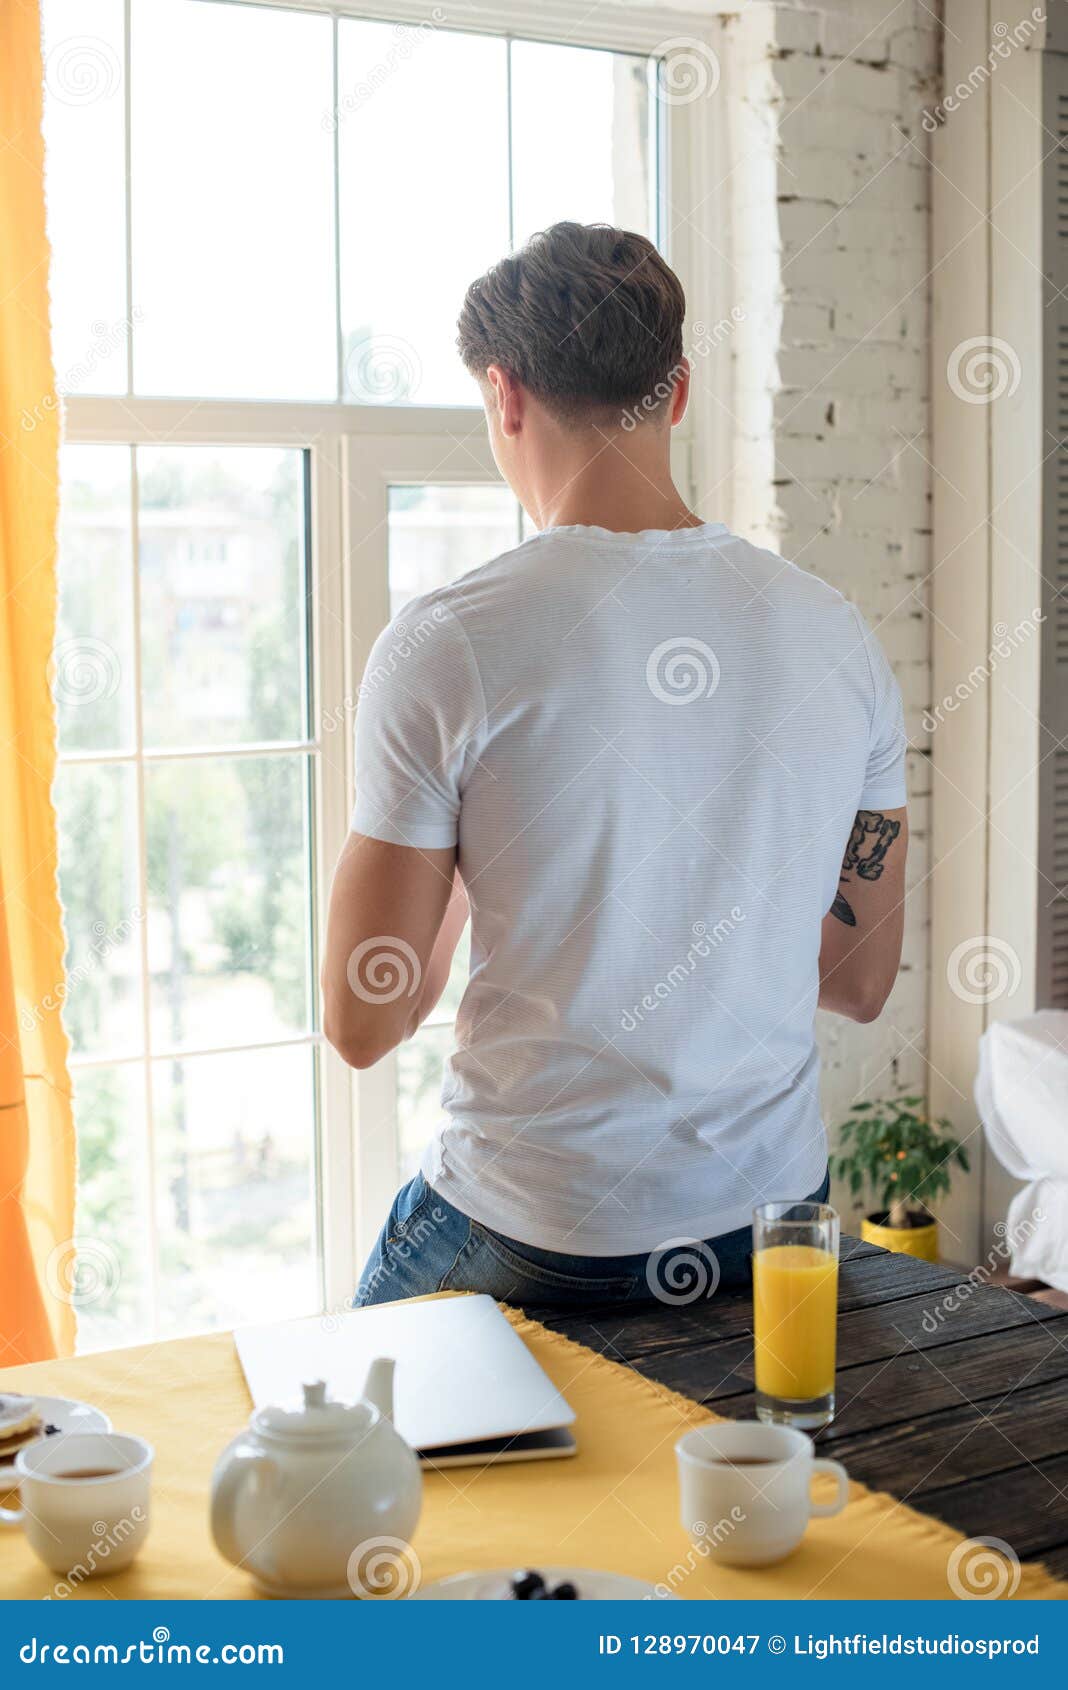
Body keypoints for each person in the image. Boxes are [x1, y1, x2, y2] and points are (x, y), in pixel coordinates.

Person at [322, 221, 907, 1310]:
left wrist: (472, 855)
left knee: (339, 1412)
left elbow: (365, 1024)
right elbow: (861, 983)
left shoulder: (449, 640)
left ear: (504, 395)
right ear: (676, 392)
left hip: (539, 1229)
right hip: (770, 1223)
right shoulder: (838, 634)